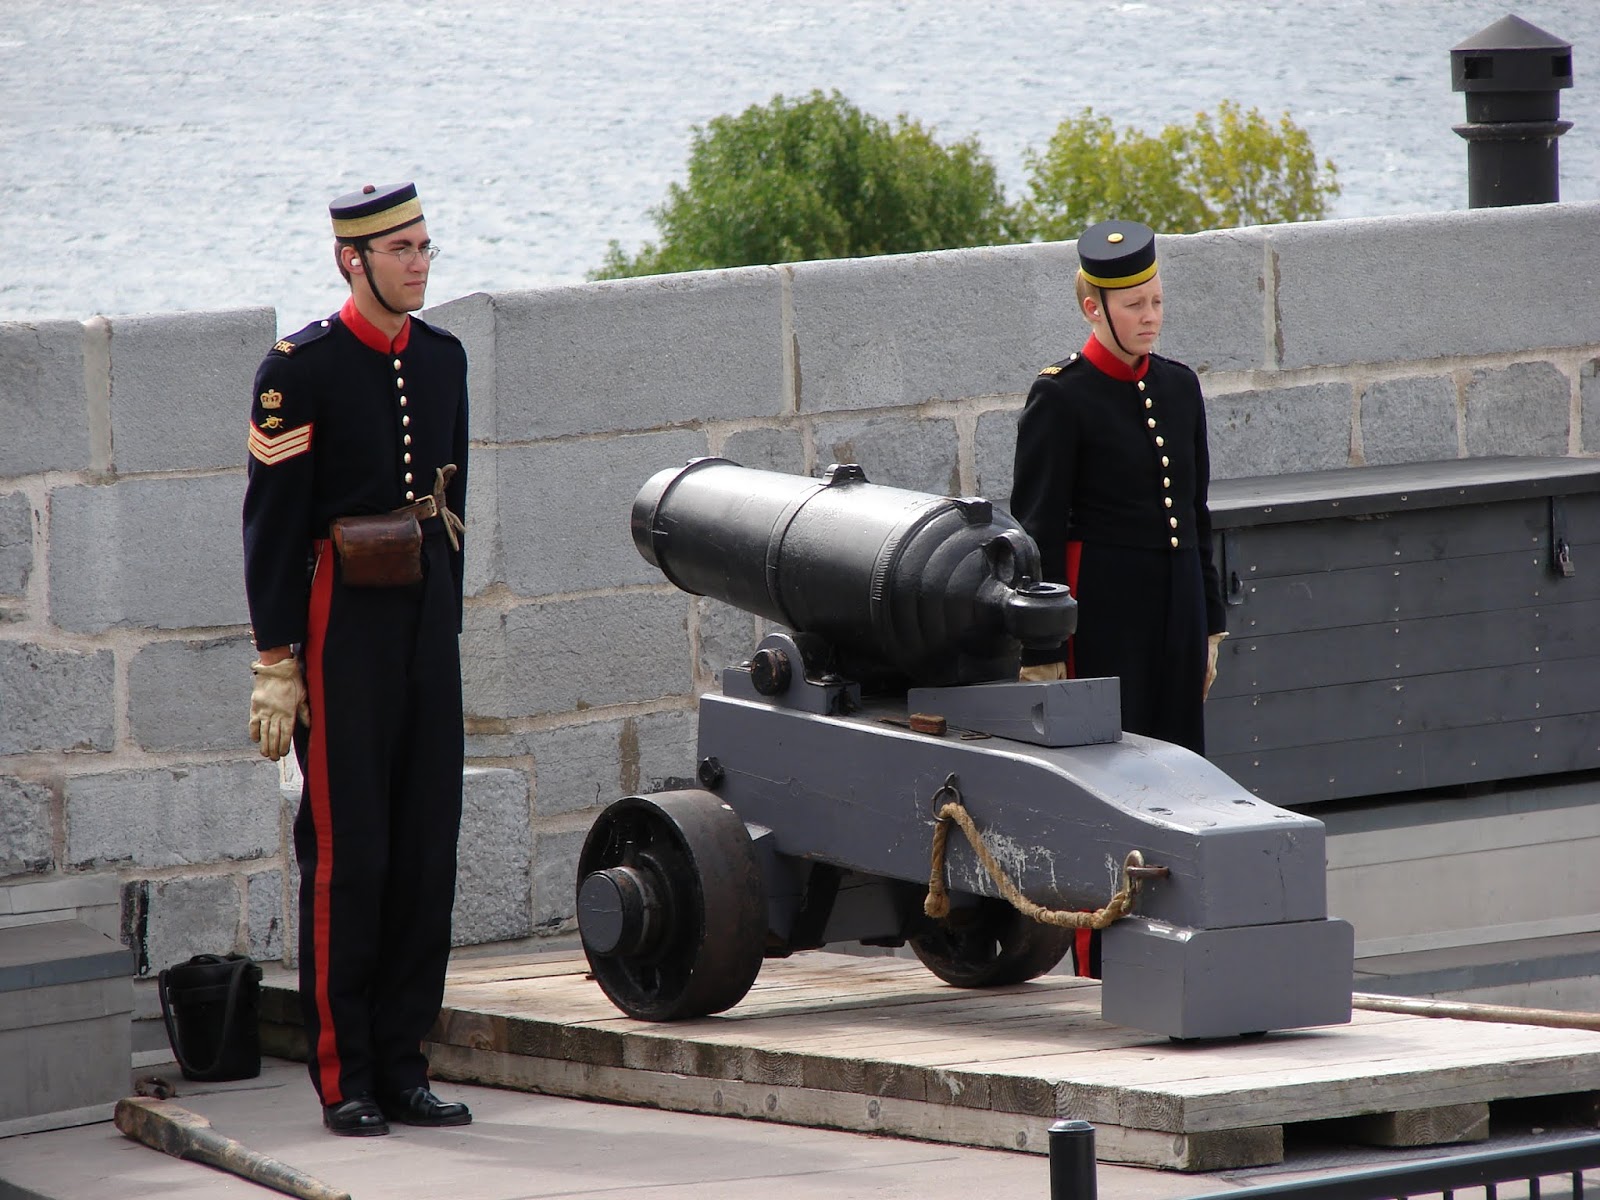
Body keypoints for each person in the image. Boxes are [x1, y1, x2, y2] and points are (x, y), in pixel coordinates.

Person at [242, 182, 471, 1137]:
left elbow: (455, 499)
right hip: (342, 632)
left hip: (425, 626)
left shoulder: (446, 359)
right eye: (402, 250)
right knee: (349, 858)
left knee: (425, 850)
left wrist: (445, 624)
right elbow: (270, 521)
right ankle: (347, 1077)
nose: (421, 262)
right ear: (354, 260)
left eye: (425, 246)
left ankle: (407, 1064)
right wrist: (276, 659)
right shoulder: (300, 369)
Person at [1010, 221, 1227, 972]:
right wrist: (1041, 653)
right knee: (1113, 794)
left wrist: (1210, 627)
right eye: (1134, 304)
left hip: (1175, 616)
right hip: (1105, 619)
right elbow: (1034, 535)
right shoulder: (1060, 398)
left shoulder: (1179, 386)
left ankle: (1179, 946)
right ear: (1090, 307)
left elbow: (1197, 517)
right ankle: (1102, 959)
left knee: (1184, 778)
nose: (1150, 316)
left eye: (1157, 300)